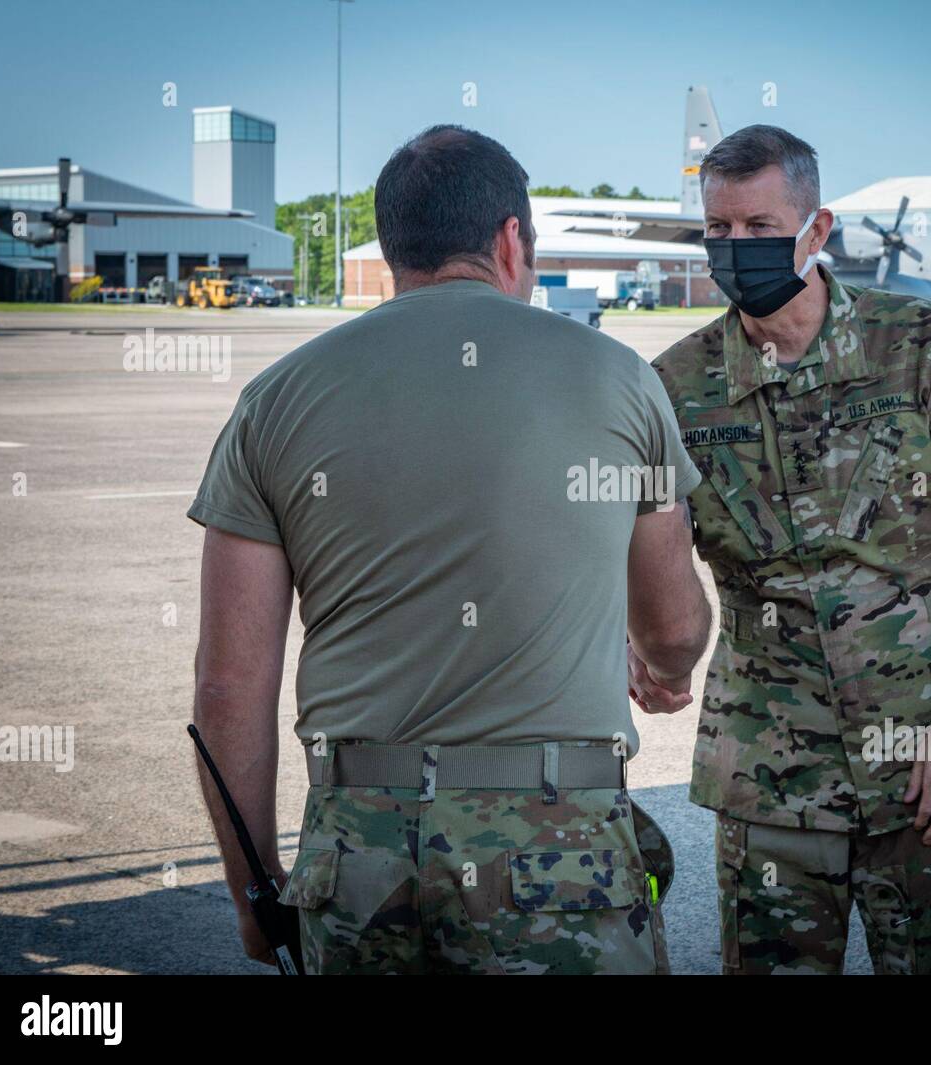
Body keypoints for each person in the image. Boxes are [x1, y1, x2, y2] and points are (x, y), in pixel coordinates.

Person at [189, 125, 710, 974]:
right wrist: (665, 666)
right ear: (511, 239)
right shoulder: (618, 379)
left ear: (394, 246)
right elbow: (676, 623)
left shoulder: (275, 399)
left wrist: (257, 894)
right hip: (559, 858)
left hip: (358, 864)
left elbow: (226, 685)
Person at [638, 124, 931, 974]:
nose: (735, 248)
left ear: (816, 229)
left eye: (758, 228)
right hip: (768, 784)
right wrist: (634, 645)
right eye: (718, 230)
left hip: (924, 778)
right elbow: (631, 555)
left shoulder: (920, 350)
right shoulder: (673, 389)